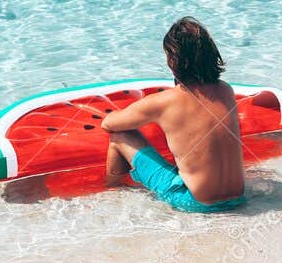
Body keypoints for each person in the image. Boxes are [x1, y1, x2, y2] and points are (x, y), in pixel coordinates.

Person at [102, 17, 252, 213]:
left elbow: (109, 124)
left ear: (173, 60)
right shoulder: (226, 91)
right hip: (238, 197)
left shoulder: (164, 102)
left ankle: (112, 194)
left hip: (194, 202)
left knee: (119, 137)